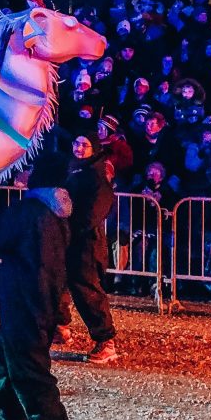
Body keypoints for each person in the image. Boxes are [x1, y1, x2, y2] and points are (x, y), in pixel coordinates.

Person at [0, 151, 72, 420]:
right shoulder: (55, 214)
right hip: (35, 307)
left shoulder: (29, 211)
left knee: (34, 385)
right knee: (2, 380)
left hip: (25, 309)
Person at [56, 136, 118, 364]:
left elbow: (93, 213)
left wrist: (71, 226)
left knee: (87, 290)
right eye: (76, 143)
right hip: (67, 238)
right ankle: (60, 326)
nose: (79, 148)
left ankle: (105, 340)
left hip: (86, 243)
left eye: (84, 145)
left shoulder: (97, 177)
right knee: (57, 283)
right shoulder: (72, 170)